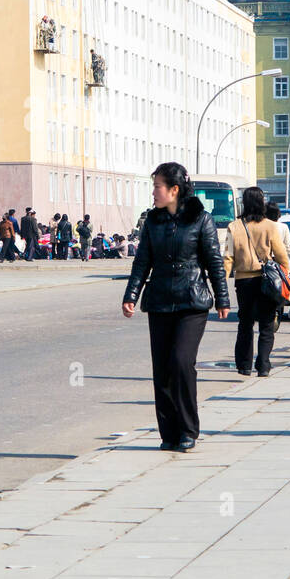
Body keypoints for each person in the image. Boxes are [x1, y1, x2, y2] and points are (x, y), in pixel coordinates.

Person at [122, 162, 230, 453]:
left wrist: (222, 297)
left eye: (157, 186)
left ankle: (188, 429)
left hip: (192, 301)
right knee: (163, 369)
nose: (154, 192)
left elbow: (214, 261)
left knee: (182, 363)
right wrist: (131, 294)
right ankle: (168, 432)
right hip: (158, 301)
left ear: (174, 190)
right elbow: (142, 261)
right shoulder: (152, 222)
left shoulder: (201, 219)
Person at [222, 186, 290, 378]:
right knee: (267, 324)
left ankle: (244, 365)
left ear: (244, 203)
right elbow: (280, 254)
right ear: (261, 203)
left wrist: (221, 283)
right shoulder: (270, 226)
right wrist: (285, 273)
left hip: (244, 281)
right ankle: (263, 366)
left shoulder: (234, 226)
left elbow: (228, 257)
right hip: (267, 280)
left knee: (245, 323)